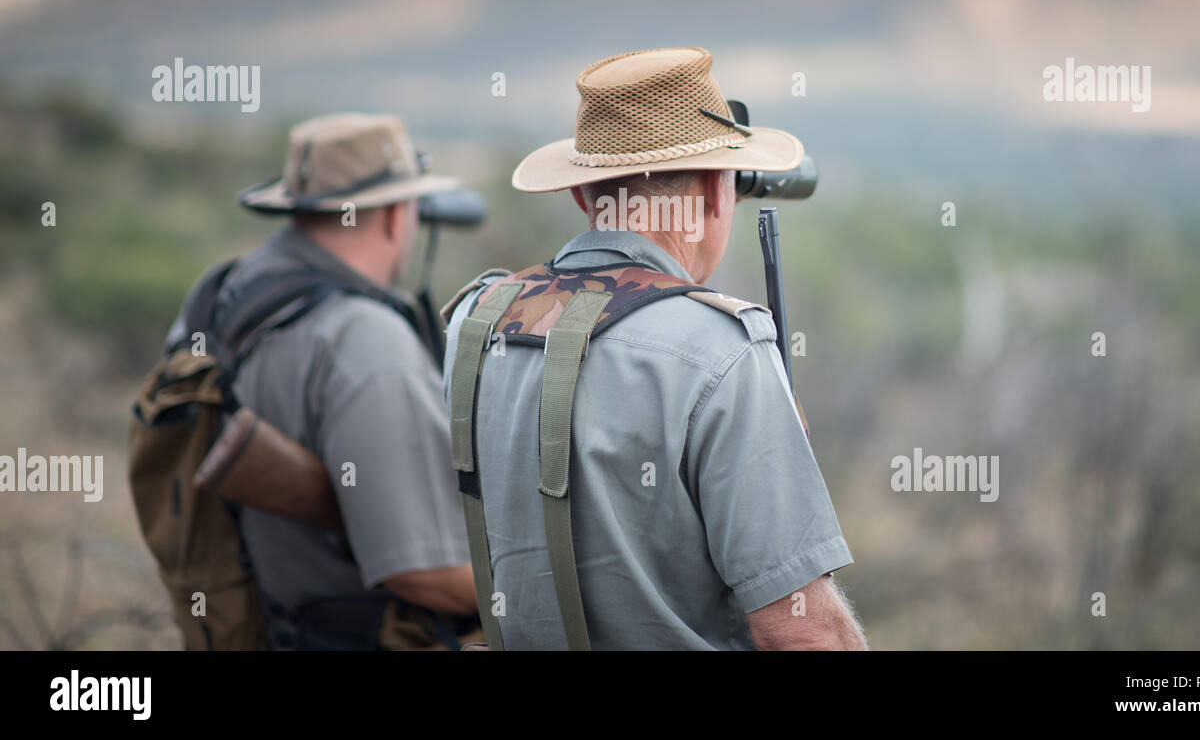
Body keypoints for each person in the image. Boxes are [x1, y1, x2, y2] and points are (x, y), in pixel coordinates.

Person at [443, 47, 866, 650]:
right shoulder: (722, 350)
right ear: (720, 193)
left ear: (582, 196)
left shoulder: (475, 323)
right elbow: (800, 632)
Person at [164, 113, 478, 649]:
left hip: (253, 626)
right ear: (397, 218)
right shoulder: (366, 340)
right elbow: (424, 571)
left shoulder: (221, 297)